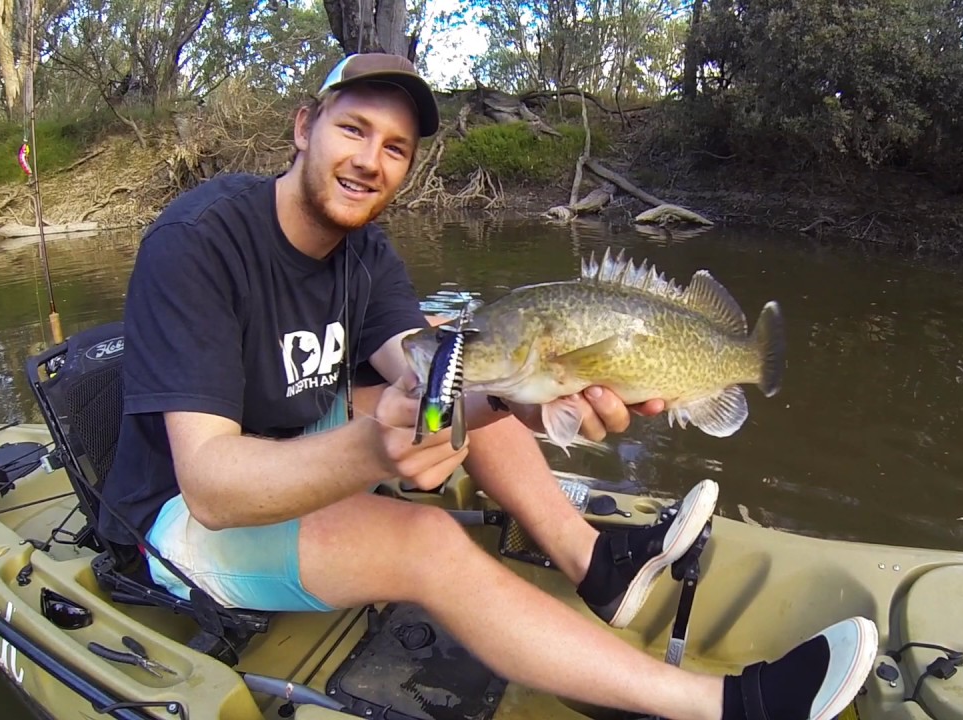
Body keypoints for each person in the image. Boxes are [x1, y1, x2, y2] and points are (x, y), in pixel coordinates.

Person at [96, 52, 879, 720]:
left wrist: (529, 396)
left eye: (396, 148)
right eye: (354, 130)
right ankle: (723, 706)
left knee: (475, 377)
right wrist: (375, 448)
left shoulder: (364, 252)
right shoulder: (198, 244)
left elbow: (425, 365)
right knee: (429, 543)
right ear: (304, 128)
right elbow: (211, 486)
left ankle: (598, 567)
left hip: (293, 440)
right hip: (179, 520)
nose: (372, 160)